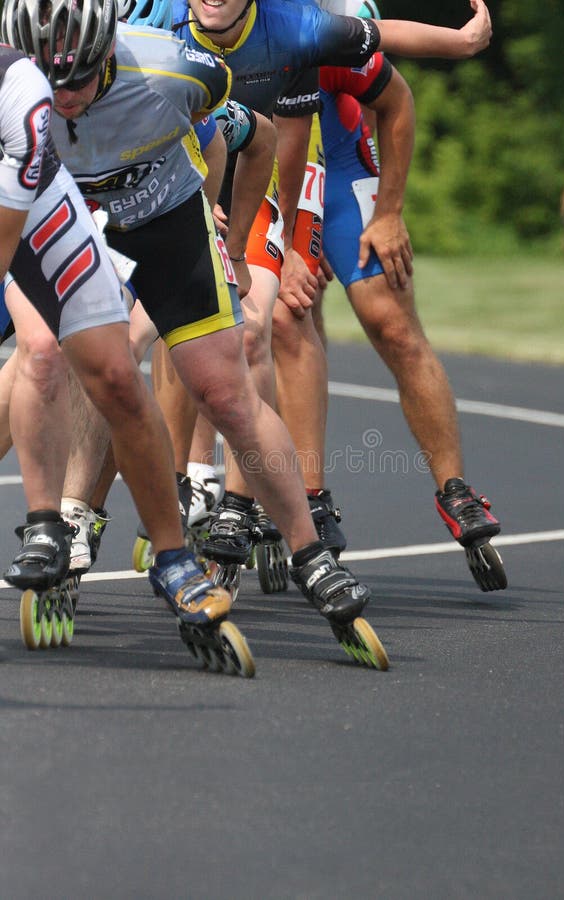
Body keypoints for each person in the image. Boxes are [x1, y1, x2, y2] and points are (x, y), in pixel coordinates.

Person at [3, 0, 380, 661]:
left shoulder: (176, 69)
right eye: (50, 81)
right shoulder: (12, 87)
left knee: (226, 392)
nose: (64, 100)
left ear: (111, 55)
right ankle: (57, 521)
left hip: (168, 220)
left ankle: (310, 552)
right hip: (64, 225)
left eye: (82, 81)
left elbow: (248, 136)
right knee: (45, 360)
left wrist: (227, 240)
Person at [167, 0, 493, 561]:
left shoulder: (315, 23)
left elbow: (393, 98)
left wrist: (387, 212)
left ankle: (448, 488)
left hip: (325, 165)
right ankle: (204, 481)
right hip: (232, 157)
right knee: (245, 317)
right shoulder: (197, 17)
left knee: (380, 320)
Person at [0, 38, 237, 656]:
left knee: (88, 364)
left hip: (54, 209)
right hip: (22, 193)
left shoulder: (50, 89)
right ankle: (62, 519)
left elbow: (232, 135)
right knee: (44, 357)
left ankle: (137, 542)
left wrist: (204, 222)